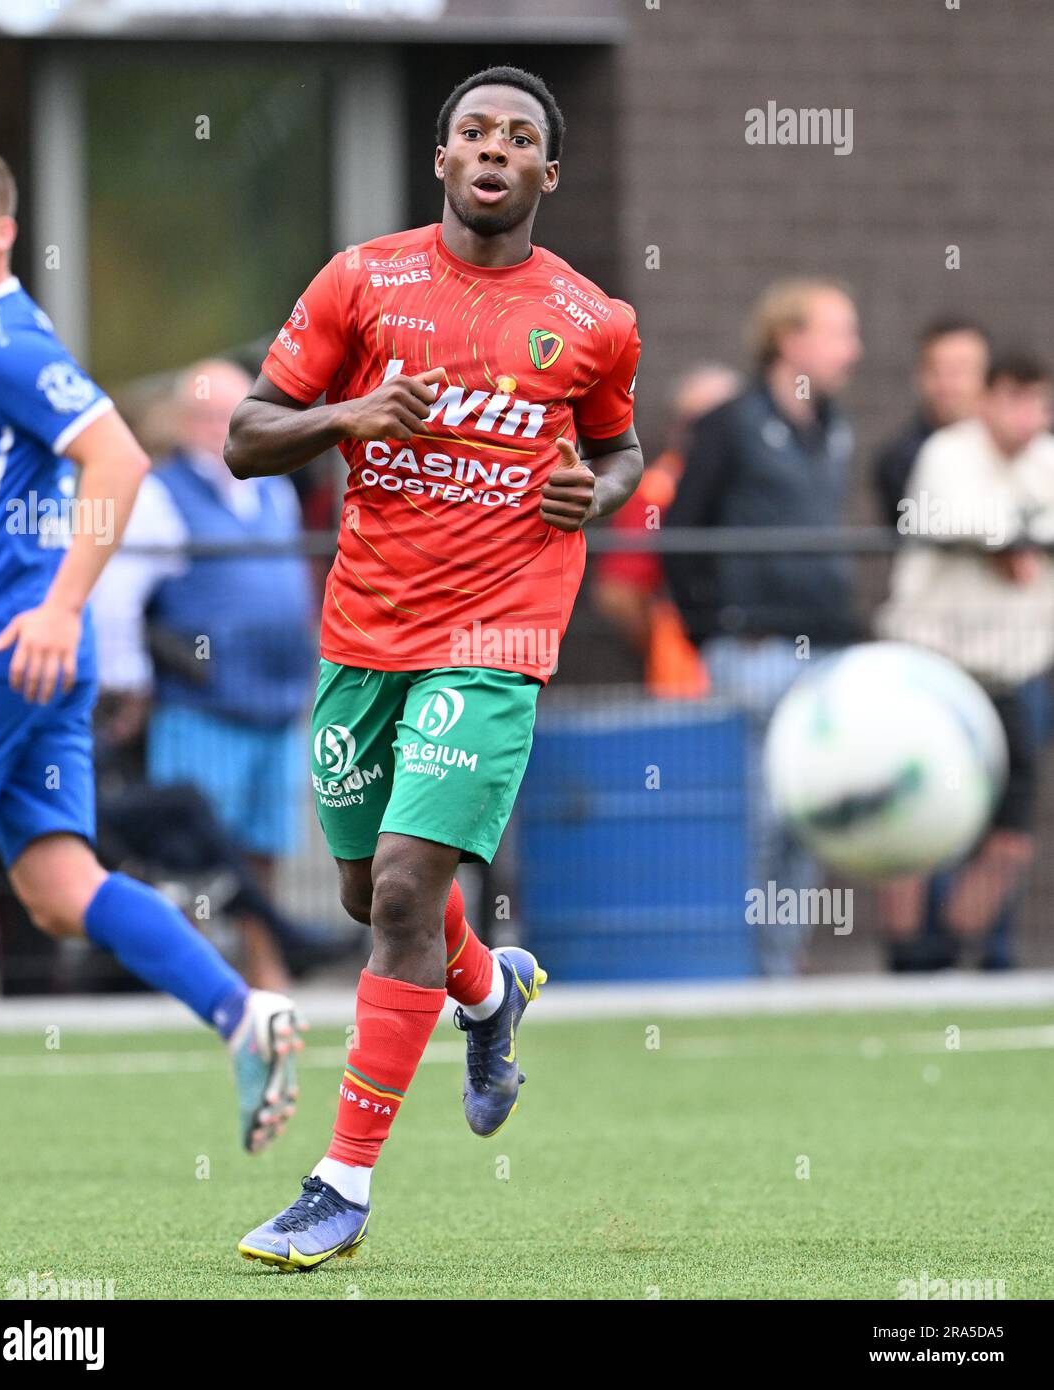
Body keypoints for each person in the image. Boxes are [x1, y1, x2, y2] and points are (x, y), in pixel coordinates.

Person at [224, 65, 643, 1269]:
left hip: (500, 634)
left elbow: (616, 453)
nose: (495, 149)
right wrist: (348, 422)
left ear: (547, 174)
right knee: (368, 895)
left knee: (404, 890)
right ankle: (485, 990)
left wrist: (593, 490)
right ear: (445, 160)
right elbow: (251, 435)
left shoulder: (595, 318)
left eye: (520, 137)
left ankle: (340, 1183)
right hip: (364, 632)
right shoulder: (362, 278)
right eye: (475, 133)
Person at [0, 144, 303, 1155]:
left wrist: (63, 606)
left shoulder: (5, 343)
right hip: (36, 661)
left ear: (6, 231)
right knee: (60, 892)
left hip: (3, 650)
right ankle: (245, 1011)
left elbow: (114, 453)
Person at [92, 358, 320, 990]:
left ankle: (266, 967)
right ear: (189, 422)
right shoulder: (162, 492)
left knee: (262, 844)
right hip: (202, 701)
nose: (227, 427)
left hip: (276, 698)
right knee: (193, 853)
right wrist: (130, 680)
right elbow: (118, 594)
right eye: (214, 416)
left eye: (238, 412)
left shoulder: (273, 487)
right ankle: (197, 977)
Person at [663, 278, 864, 975]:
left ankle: (777, 970)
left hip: (827, 652)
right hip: (752, 652)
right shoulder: (729, 423)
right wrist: (710, 632)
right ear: (790, 339)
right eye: (838, 332)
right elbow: (679, 533)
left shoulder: (836, 425)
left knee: (811, 817)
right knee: (752, 819)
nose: (853, 350)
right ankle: (730, 968)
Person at [877, 352, 1054, 969]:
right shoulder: (948, 452)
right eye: (1015, 399)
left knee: (1009, 839)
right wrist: (1009, 540)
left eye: (1039, 402)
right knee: (910, 818)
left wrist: (1015, 540)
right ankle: (905, 957)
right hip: (930, 673)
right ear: (988, 401)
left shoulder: (1045, 460)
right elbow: (949, 518)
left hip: (1009, 677)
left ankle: (946, 953)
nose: (1029, 416)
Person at [593, 364, 740, 696]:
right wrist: (662, 638)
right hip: (687, 682)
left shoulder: (753, 486)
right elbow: (617, 592)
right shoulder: (659, 490)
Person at [874, 318, 991, 526]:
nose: (947, 384)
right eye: (936, 370)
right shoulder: (901, 458)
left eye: (959, 371)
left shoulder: (1026, 449)